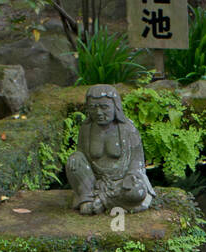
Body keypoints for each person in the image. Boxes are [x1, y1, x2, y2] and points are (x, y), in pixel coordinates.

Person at [65, 85, 156, 214]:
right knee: (74, 161)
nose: (98, 113)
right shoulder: (86, 128)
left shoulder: (128, 129)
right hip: (94, 182)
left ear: (116, 107)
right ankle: (88, 197)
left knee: (137, 191)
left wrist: (129, 179)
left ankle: (100, 201)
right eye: (93, 108)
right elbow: (82, 156)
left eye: (104, 107)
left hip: (121, 182)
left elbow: (137, 165)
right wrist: (76, 157)